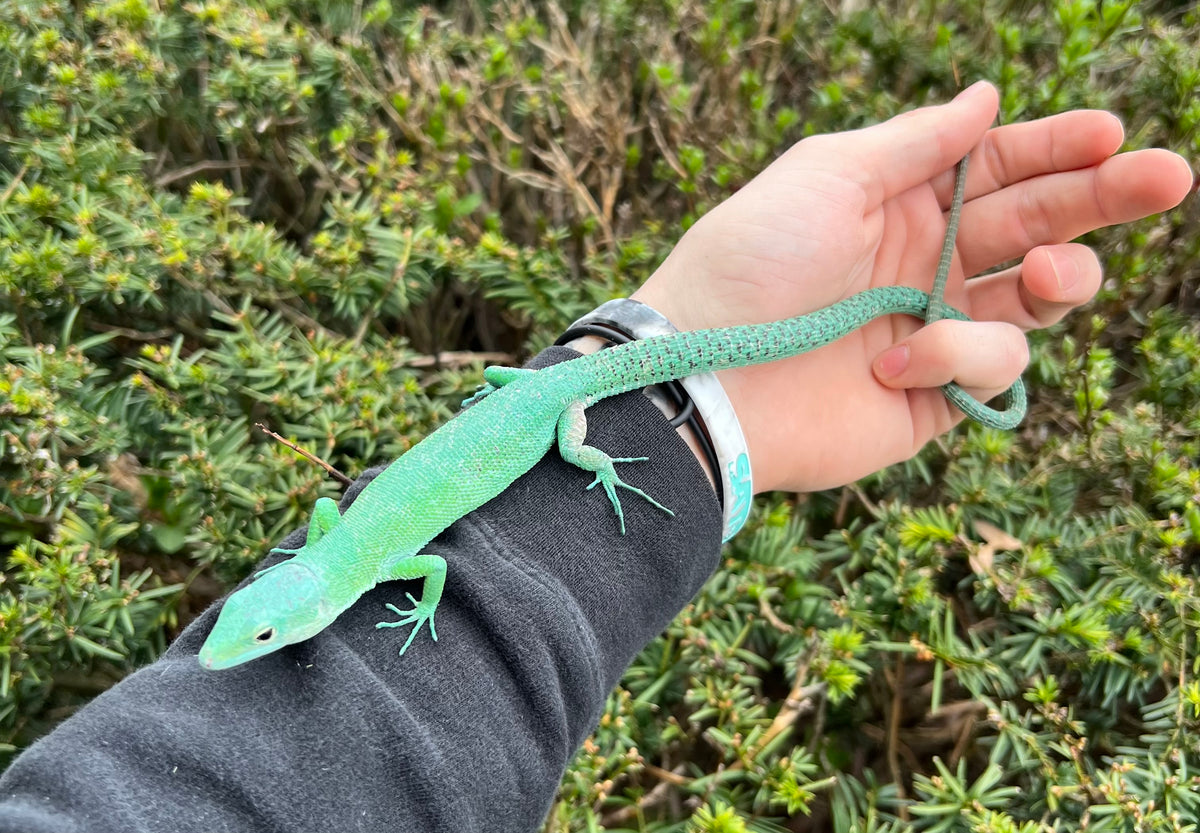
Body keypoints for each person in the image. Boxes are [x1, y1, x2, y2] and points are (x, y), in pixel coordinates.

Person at [0, 82, 1191, 832]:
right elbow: (335, 524)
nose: (239, 643)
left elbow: (420, 579)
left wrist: (615, 453)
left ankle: (641, 430)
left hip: (556, 409)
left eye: (256, 625)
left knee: (580, 446)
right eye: (254, 631)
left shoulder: (356, 576)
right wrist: (691, 409)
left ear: (295, 606)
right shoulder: (329, 563)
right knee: (560, 427)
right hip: (542, 396)